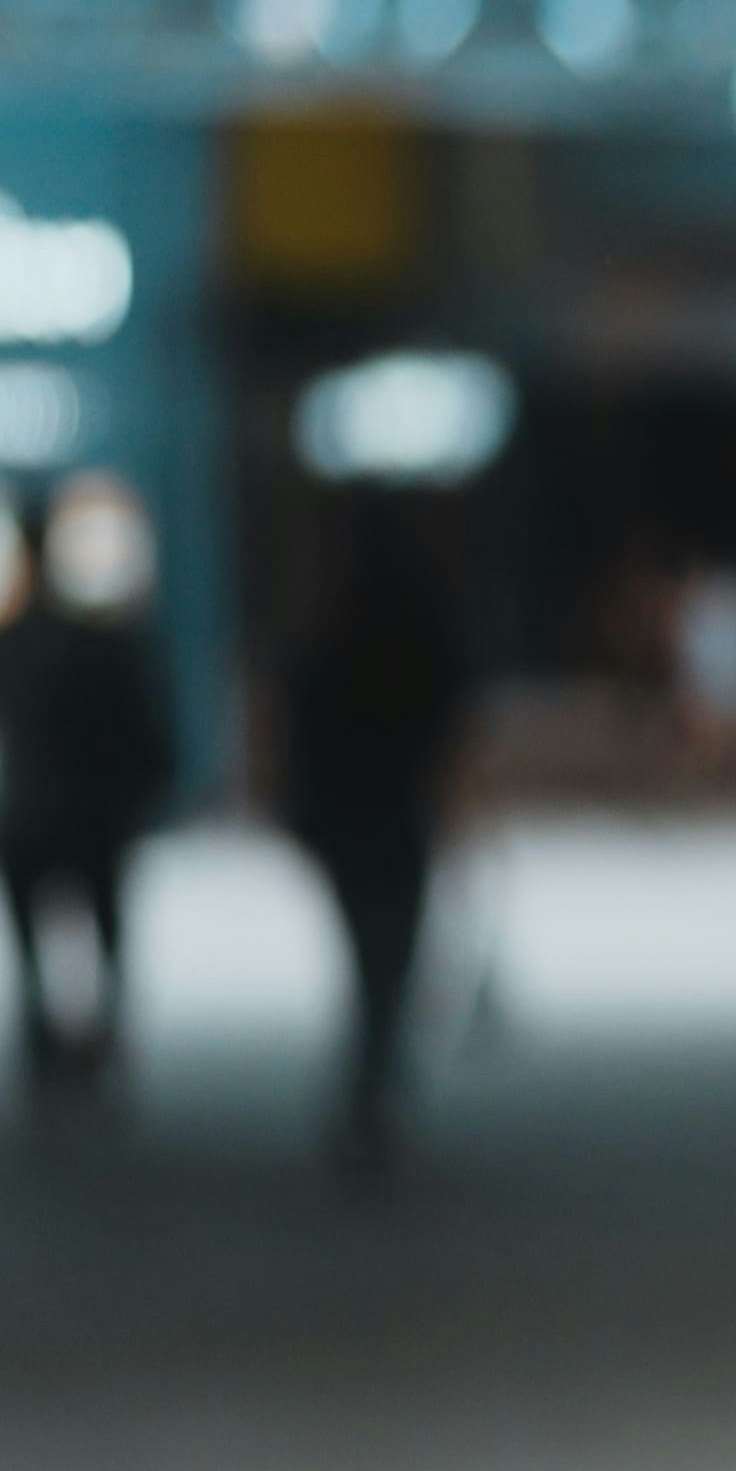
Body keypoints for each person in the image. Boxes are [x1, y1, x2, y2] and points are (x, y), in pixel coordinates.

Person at [265, 491, 477, 1177]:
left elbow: (293, 719)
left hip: (343, 814)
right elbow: (450, 724)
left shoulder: (329, 624)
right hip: (394, 809)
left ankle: (372, 1087)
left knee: (368, 956)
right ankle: (376, 1087)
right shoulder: (418, 629)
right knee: (391, 959)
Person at [0, 474, 179, 1120]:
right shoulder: (95, 640)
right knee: (103, 939)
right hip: (87, 813)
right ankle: (95, 1049)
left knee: (33, 951)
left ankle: (48, 1057)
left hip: (28, 811)